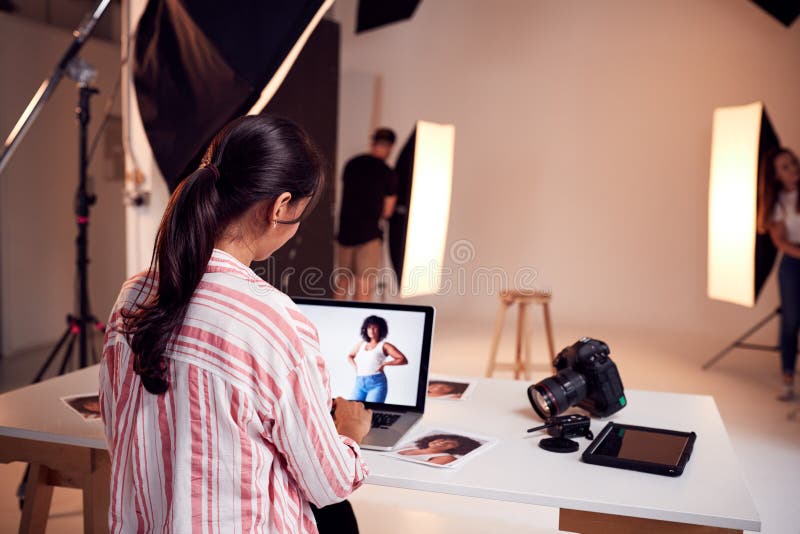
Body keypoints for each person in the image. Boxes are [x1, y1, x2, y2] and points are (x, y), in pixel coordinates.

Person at [99, 116, 373, 533]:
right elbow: (330, 483)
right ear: (280, 207)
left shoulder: (133, 295)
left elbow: (117, 424)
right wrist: (349, 432)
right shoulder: (275, 323)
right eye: (300, 212)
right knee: (340, 515)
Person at [335, 128, 398, 301]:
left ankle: (334, 321)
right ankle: (357, 325)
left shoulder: (352, 164)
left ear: (372, 142)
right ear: (391, 147)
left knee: (343, 282)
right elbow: (387, 212)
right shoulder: (388, 173)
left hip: (345, 233)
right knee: (364, 284)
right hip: (369, 235)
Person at [758, 147, 800, 401]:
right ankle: (788, 379)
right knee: (791, 321)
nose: (792, 169)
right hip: (792, 263)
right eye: (784, 167)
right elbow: (780, 241)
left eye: (793, 163)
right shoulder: (777, 204)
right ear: (775, 175)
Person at [347, 315, 407, 403]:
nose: (371, 330)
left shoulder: (384, 346)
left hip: (376, 383)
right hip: (359, 382)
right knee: (351, 409)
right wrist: (356, 367)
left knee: (373, 411)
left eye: (375, 328)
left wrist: (385, 364)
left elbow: (402, 359)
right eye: (369, 328)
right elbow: (350, 356)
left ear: (380, 330)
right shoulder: (361, 344)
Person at [397, 433, 482, 466]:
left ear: (456, 449)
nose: (442, 443)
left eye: (451, 443)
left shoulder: (447, 458)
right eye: (443, 439)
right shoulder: (410, 446)